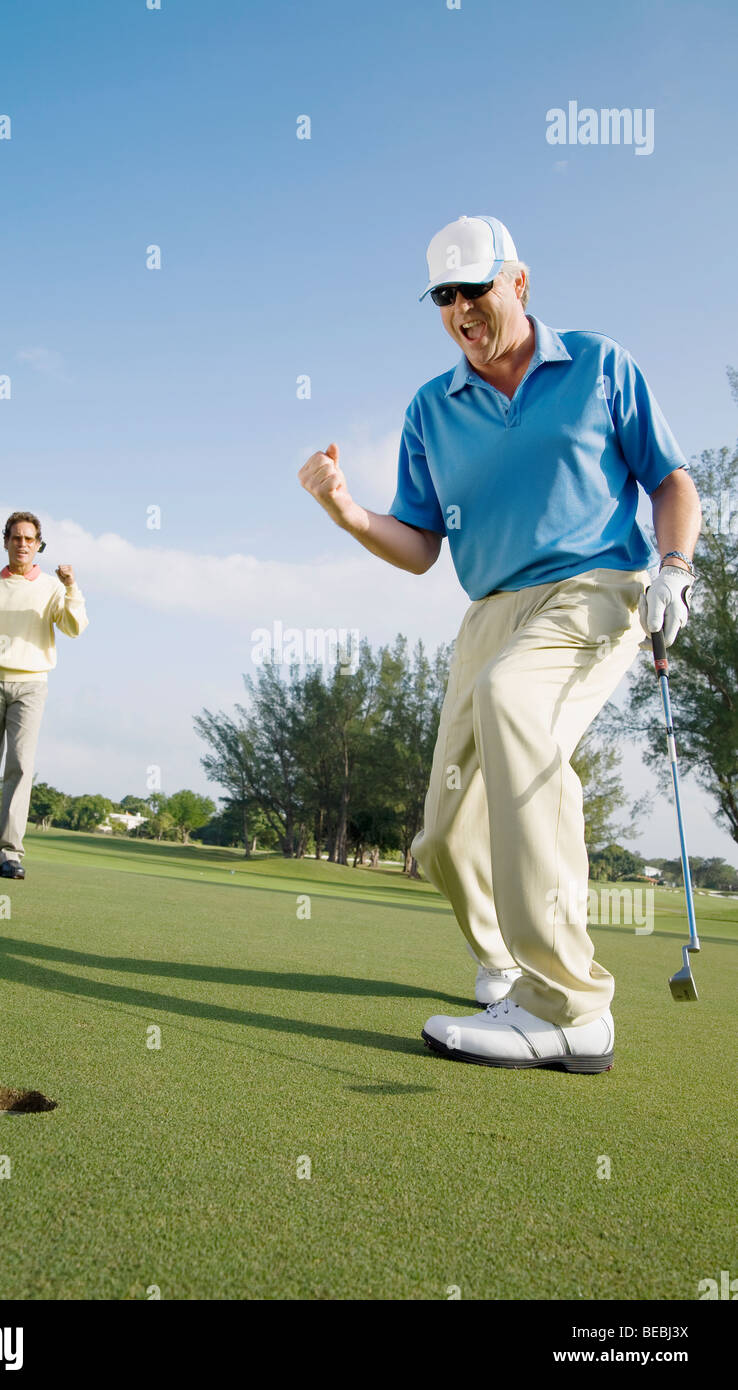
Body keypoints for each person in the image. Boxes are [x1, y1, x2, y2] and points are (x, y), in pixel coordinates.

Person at [298, 214, 701, 1073]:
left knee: (519, 703)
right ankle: (506, 959)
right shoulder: (429, 410)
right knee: (442, 838)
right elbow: (417, 548)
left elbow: (670, 480)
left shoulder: (598, 365)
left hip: (596, 587)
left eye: (475, 289)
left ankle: (569, 1007)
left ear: (518, 282)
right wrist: (347, 511)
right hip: (489, 612)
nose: (461, 309)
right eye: (443, 296)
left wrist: (676, 567)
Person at [0, 510, 88, 880]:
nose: (22, 544)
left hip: (31, 684)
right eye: (16, 537)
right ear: (6, 541)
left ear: (39, 544)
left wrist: (72, 586)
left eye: (29, 538)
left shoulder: (53, 588)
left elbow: (74, 627)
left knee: (20, 766)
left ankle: (9, 853)